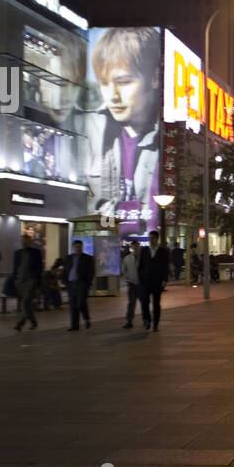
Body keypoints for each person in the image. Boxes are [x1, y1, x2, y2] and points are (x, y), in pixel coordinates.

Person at [88, 28, 161, 238]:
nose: (113, 96)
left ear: (155, 77)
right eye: (104, 83)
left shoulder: (166, 139)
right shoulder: (92, 129)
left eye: (124, 82)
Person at [12, 234, 43, 331]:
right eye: (22, 241)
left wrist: (37, 280)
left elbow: (39, 267)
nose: (24, 243)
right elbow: (15, 266)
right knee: (27, 303)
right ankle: (33, 322)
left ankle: (20, 323)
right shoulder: (17, 253)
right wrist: (15, 278)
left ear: (30, 242)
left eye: (26, 241)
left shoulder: (36, 253)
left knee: (25, 302)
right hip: (20, 280)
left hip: (31, 280)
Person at [139, 231, 169, 330]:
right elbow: (140, 266)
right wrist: (141, 278)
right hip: (146, 282)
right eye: (149, 238)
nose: (150, 240)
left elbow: (165, 266)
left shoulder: (163, 251)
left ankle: (155, 324)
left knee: (156, 303)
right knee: (144, 302)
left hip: (157, 282)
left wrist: (164, 279)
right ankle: (147, 319)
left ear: (157, 238)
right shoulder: (144, 250)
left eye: (152, 238)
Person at [65, 239, 95, 331]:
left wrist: (88, 283)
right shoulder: (69, 258)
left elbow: (91, 272)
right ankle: (75, 325)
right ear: (73, 247)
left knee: (81, 303)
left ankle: (86, 318)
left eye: (79, 247)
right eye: (76, 247)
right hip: (71, 284)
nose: (78, 249)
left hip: (82, 283)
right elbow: (66, 270)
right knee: (73, 305)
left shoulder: (87, 258)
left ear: (82, 247)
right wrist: (65, 281)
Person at [121, 240, 148, 328]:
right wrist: (127, 278)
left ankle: (145, 319)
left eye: (137, 246)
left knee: (144, 303)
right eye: (134, 246)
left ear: (139, 247)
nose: (136, 248)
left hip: (142, 284)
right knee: (131, 303)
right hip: (132, 284)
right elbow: (123, 270)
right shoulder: (127, 258)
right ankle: (129, 320)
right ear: (132, 247)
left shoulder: (144, 258)